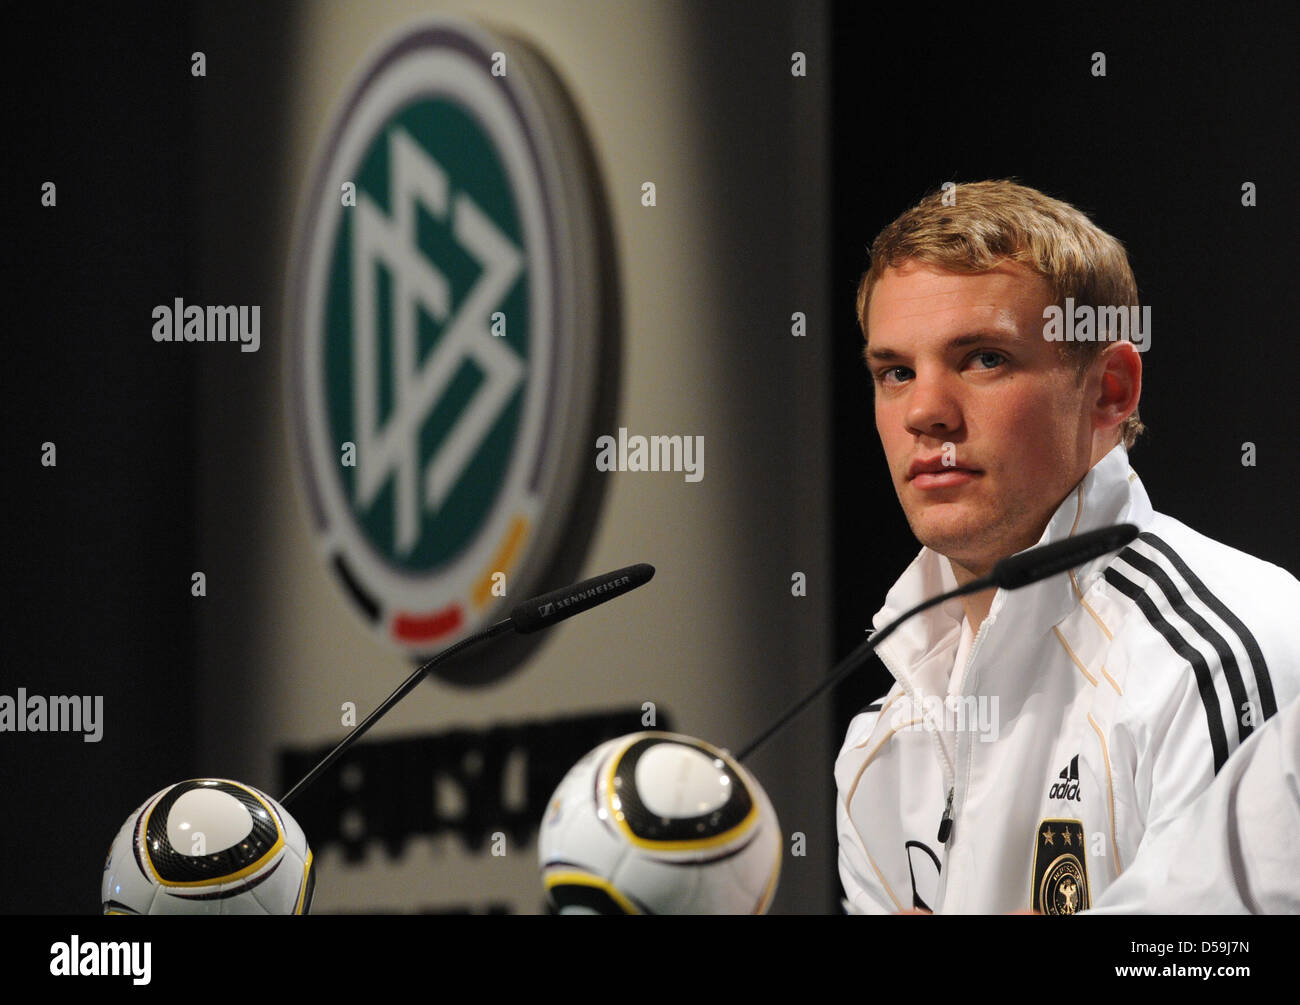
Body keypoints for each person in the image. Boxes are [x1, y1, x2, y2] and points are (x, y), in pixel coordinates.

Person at [836, 180, 1300, 914]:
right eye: (895, 372)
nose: (924, 411)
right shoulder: (879, 738)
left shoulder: (1230, 651)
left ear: (1110, 390)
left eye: (983, 358)